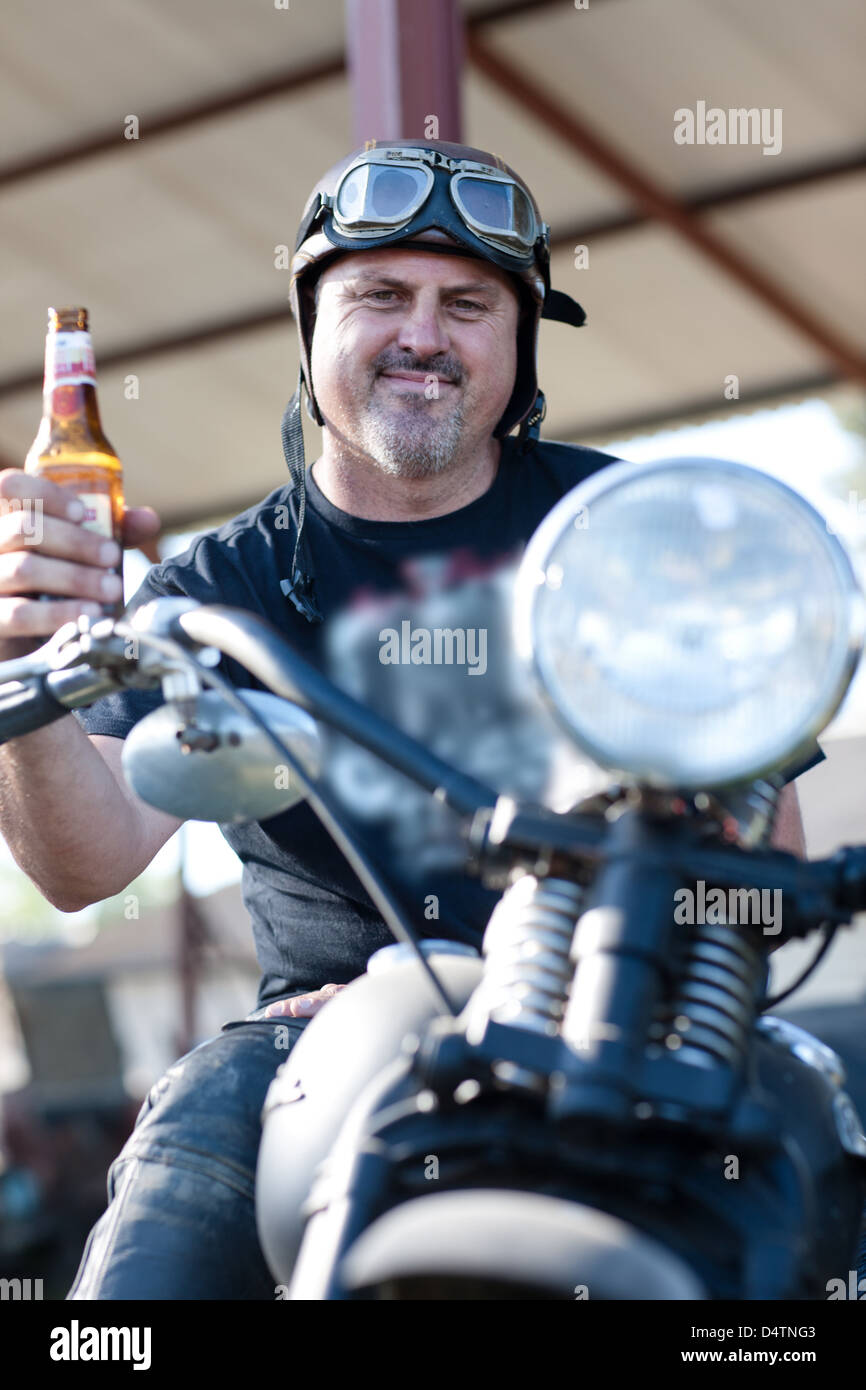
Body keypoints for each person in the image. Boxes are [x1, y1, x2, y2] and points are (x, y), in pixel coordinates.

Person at [0, 139, 811, 1299]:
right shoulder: (211, 591)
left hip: (621, 1016)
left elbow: (768, 866)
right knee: (152, 1251)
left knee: (811, 1188)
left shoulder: (632, 533)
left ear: (519, 340)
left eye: (467, 304)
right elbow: (83, 867)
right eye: (380, 294)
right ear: (312, 329)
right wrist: (23, 663)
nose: (422, 335)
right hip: (311, 1041)